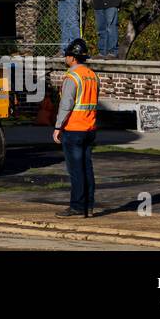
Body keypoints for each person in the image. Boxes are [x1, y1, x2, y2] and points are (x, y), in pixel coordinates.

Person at [53, 38, 99, 217]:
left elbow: (66, 105)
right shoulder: (92, 76)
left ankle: (78, 206)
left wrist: (58, 127)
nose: (65, 58)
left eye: (67, 55)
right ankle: (88, 205)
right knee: (87, 168)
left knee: (76, 170)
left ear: (72, 58)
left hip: (74, 129)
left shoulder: (72, 77)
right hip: (89, 129)